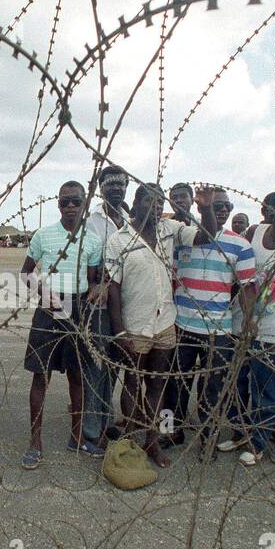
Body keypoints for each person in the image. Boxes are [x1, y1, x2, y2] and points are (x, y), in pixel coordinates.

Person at [105, 183, 215, 469]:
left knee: (157, 385)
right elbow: (113, 288)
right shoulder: (119, 240)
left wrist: (205, 207)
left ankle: (152, 443)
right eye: (149, 202)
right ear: (137, 203)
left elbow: (206, 237)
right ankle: (129, 445)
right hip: (135, 324)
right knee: (131, 385)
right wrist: (118, 331)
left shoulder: (171, 230)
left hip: (165, 322)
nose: (155, 208)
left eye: (159, 203)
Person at [220, 186, 275, 466]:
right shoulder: (254, 234)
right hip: (242, 319)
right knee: (237, 382)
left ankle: (258, 442)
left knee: (267, 385)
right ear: (269, 210)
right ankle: (239, 431)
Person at [163, 186, 255, 460]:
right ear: (203, 208)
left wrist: (250, 323)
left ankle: (208, 439)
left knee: (212, 390)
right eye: (217, 206)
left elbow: (247, 288)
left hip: (218, 330)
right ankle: (169, 430)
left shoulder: (240, 245)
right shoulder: (184, 239)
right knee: (173, 385)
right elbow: (172, 278)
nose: (223, 210)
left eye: (226, 205)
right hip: (181, 325)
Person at [20, 180, 104, 469]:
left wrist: (94, 291)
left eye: (75, 201)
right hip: (48, 308)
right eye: (65, 201)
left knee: (77, 376)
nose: (70, 206)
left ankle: (77, 436)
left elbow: (95, 280)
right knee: (41, 376)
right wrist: (44, 294)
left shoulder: (92, 240)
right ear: (58, 204)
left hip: (78, 308)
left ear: (84, 204)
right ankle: (35, 441)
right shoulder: (43, 235)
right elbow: (26, 273)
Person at [82, 165, 131, 447]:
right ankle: (91, 430)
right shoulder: (93, 222)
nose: (115, 188)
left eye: (120, 184)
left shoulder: (130, 220)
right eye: (110, 184)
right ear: (101, 188)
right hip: (100, 302)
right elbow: (90, 263)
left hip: (127, 301)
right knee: (97, 365)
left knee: (114, 364)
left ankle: (107, 419)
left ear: (127, 187)